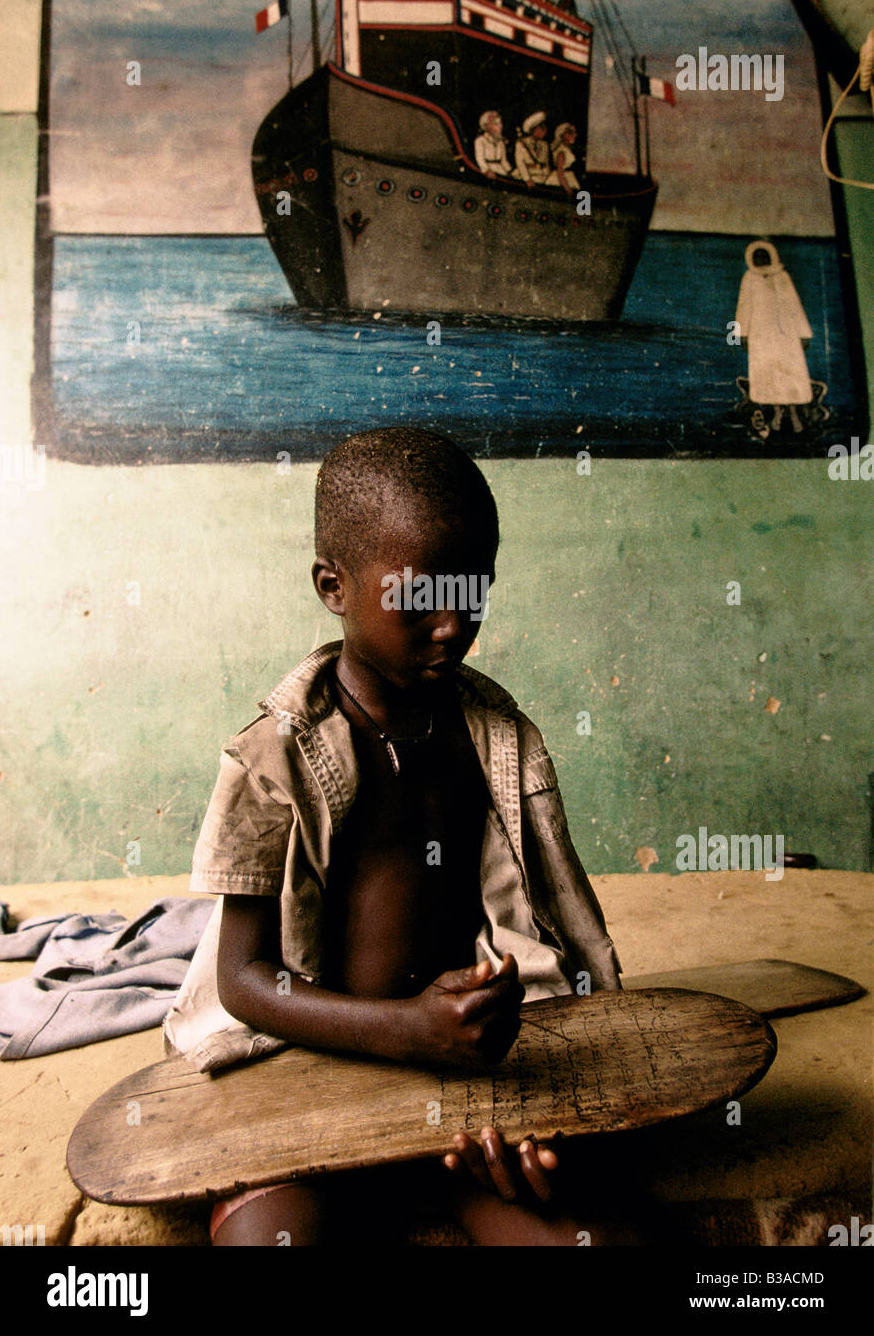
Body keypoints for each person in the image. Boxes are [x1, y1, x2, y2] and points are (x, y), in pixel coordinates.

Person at [164, 427, 636, 1247]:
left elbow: (541, 928)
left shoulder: (494, 742)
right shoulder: (273, 759)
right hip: (304, 1063)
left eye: (473, 589)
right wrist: (405, 1029)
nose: (452, 625)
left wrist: (481, 1022)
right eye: (420, 598)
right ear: (332, 586)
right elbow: (242, 981)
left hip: (455, 1081)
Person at [734, 239, 814, 432]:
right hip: (760, 336)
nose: (761, 259)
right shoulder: (749, 278)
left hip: (786, 334)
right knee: (768, 374)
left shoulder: (783, 277)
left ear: (771, 256)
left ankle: (794, 414)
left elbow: (794, 304)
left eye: (764, 255)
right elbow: (743, 307)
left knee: (791, 373)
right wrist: (740, 334)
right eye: (757, 256)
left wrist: (804, 333)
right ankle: (777, 413)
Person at [513, 111, 552, 187]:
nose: (544, 131)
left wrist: (547, 175)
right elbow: (520, 163)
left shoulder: (544, 145)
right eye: (541, 128)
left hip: (541, 176)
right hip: (525, 175)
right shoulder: (521, 143)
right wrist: (527, 179)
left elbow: (546, 163)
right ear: (533, 130)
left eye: (544, 129)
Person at [546, 121, 581, 196]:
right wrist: (567, 188)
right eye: (571, 133)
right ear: (563, 135)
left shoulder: (567, 149)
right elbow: (560, 172)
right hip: (560, 180)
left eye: (575, 133)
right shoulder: (561, 152)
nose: (575, 135)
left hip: (569, 177)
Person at [474, 110, 512, 177]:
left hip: (501, 170)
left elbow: (504, 161)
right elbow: (480, 159)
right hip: (488, 171)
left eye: (500, 123)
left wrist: (511, 172)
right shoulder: (480, 141)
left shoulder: (500, 142)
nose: (500, 126)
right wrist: (486, 170)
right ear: (486, 126)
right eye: (496, 124)